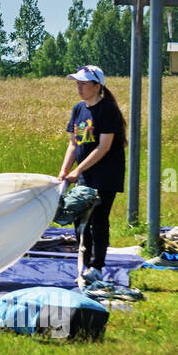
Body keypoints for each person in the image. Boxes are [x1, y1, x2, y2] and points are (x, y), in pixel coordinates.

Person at [56, 65, 127, 285]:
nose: (79, 87)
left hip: (106, 175)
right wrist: (65, 170)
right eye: (77, 83)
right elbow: (73, 143)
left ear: (97, 86)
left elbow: (104, 147)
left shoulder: (107, 110)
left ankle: (97, 266)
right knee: (78, 218)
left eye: (84, 83)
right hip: (84, 175)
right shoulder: (78, 109)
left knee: (98, 219)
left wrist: (79, 170)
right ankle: (85, 262)